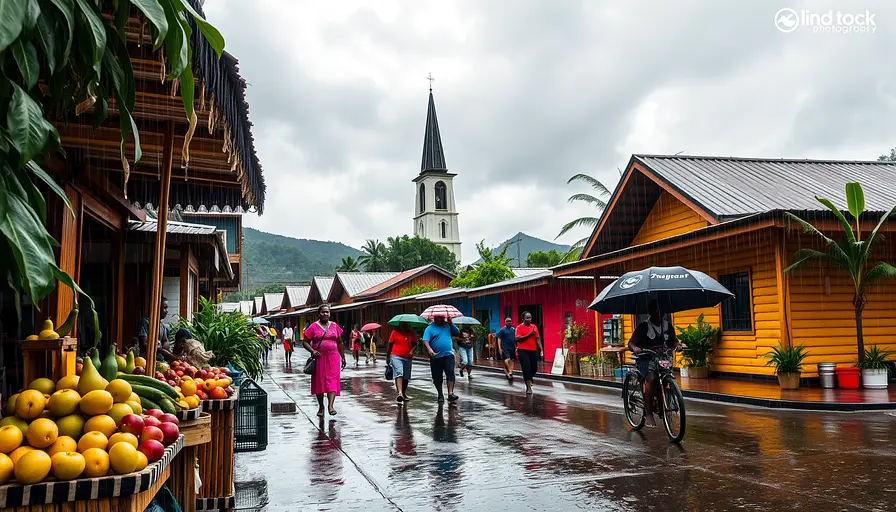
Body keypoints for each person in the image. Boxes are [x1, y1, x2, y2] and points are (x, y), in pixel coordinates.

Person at [628, 299, 678, 428]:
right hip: (646, 359)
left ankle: (665, 401)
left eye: (661, 310)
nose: (659, 313)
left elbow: (674, 341)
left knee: (667, 376)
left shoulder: (668, 326)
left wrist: (678, 346)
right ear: (650, 312)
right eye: (656, 310)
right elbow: (631, 343)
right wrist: (635, 348)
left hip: (663, 358)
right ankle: (648, 412)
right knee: (652, 378)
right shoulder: (643, 327)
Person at [302, 304, 346, 417]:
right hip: (319, 358)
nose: (325, 314)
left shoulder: (335, 326)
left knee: (332, 381)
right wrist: (312, 351)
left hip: (333, 358)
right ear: (319, 314)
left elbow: (340, 342)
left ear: (330, 314)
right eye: (323, 312)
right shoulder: (313, 327)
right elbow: (305, 341)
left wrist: (343, 356)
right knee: (320, 382)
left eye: (327, 312)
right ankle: (321, 406)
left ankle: (330, 406)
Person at [422, 315, 460, 403]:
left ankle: (450, 393)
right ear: (435, 318)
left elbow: (457, 333)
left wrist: (451, 323)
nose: (442, 320)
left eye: (443, 318)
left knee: (450, 372)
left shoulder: (447, 325)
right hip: (435, 356)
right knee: (437, 377)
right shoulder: (429, 328)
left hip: (448, 355)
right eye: (440, 318)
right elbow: (425, 340)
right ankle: (440, 393)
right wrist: (429, 349)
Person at [386, 322, 417, 404]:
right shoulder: (394, 332)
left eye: (405, 324)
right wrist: (388, 357)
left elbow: (415, 344)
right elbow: (390, 345)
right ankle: (399, 393)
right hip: (396, 356)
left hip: (408, 357)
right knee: (399, 372)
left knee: (406, 376)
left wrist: (412, 350)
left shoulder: (411, 333)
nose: (404, 326)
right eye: (402, 324)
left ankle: (403, 392)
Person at [137, 297, 175, 362]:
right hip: (147, 361)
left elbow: (166, 345)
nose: (167, 311)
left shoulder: (163, 326)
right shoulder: (146, 322)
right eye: (165, 308)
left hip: (161, 362)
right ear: (157, 308)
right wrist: (159, 348)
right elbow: (145, 344)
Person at [515, 312, 543, 395]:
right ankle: (528, 387)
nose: (529, 319)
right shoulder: (519, 327)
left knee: (534, 368)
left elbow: (537, 338)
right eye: (527, 318)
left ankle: (530, 377)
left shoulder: (534, 327)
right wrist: (529, 334)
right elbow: (517, 339)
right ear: (523, 319)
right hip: (522, 350)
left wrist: (541, 348)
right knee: (526, 368)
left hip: (532, 350)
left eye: (530, 317)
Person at [496, 317, 518, 382]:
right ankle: (509, 371)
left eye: (510, 321)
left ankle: (510, 372)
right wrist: (499, 347)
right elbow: (499, 338)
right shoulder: (502, 330)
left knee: (512, 360)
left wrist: (516, 346)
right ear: (505, 322)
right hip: (505, 347)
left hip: (512, 347)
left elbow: (516, 338)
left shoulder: (513, 329)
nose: (509, 322)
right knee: (506, 360)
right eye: (508, 321)